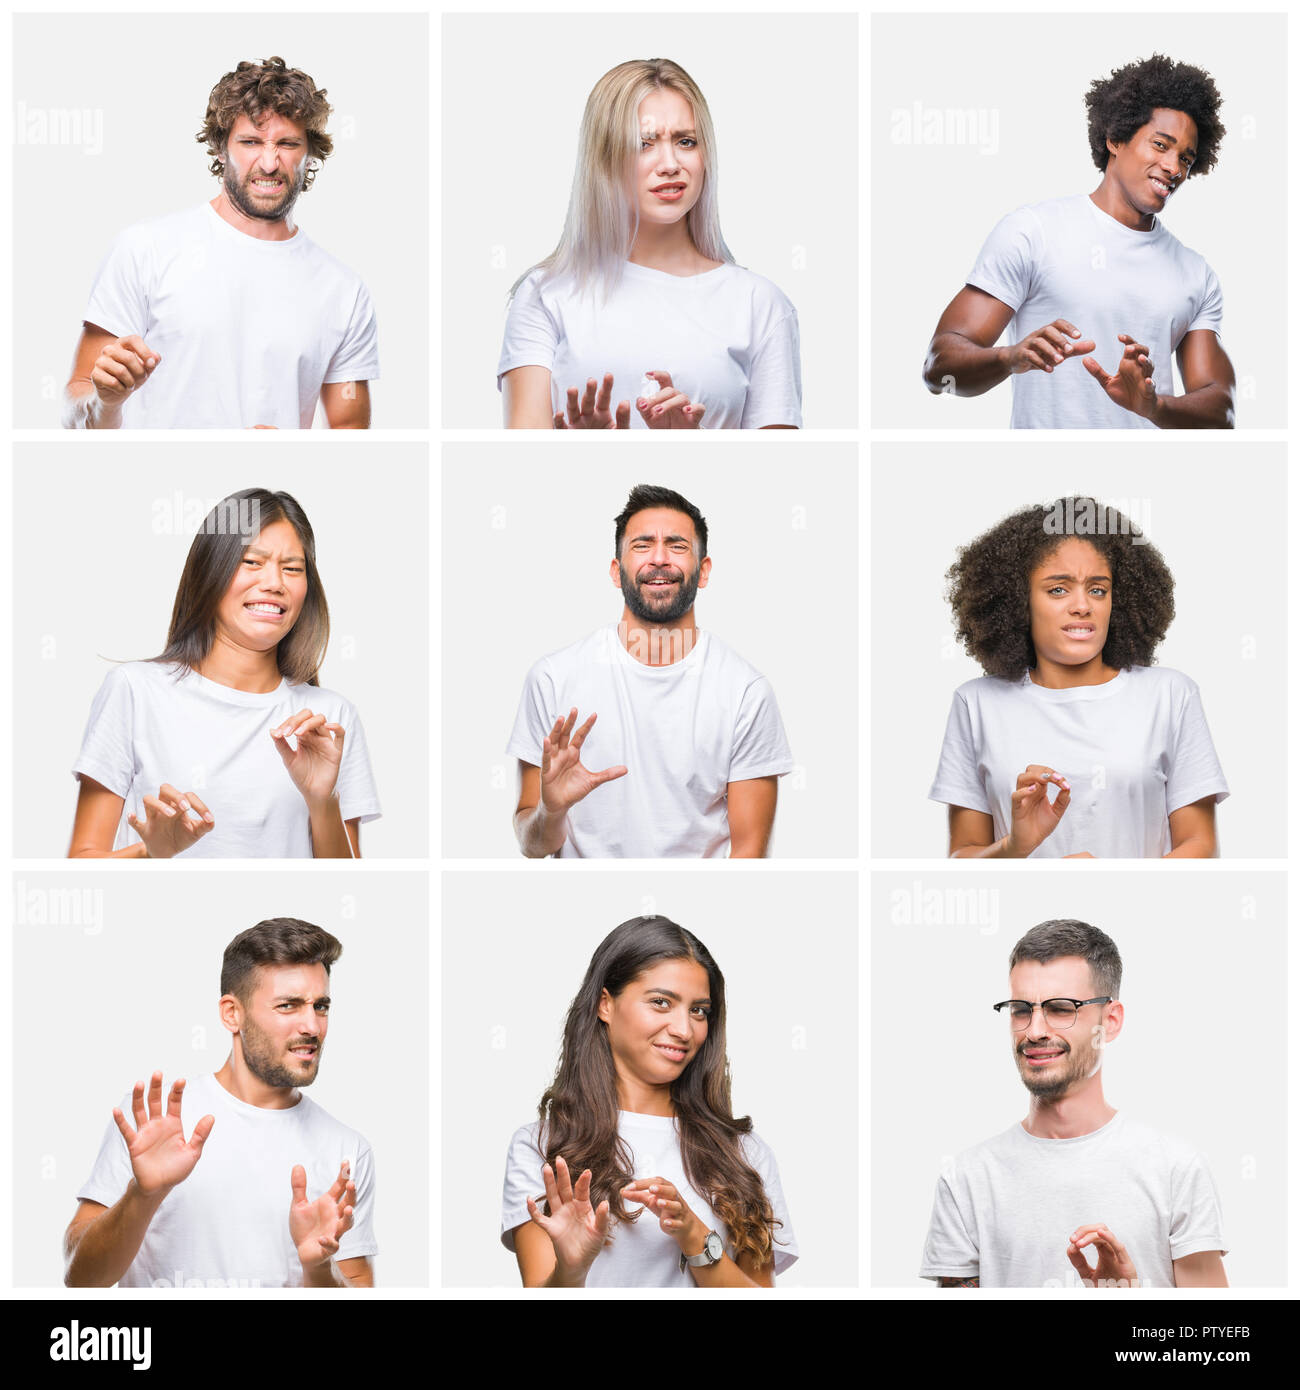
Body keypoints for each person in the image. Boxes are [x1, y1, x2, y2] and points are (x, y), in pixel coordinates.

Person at [63, 56, 378, 429]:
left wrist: (292, 450)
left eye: (288, 143)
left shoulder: (344, 290)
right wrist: (104, 401)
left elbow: (351, 433)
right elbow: (76, 404)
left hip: (269, 482)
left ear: (310, 155)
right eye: (250, 141)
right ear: (220, 148)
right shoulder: (144, 250)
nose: (269, 161)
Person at [921, 54, 1234, 428]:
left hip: (1151, 475)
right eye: (1161, 145)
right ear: (1115, 139)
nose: (1174, 168)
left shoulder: (1195, 273)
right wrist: (1009, 358)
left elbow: (1222, 409)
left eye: (1186, 157)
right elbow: (938, 367)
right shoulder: (1033, 232)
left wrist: (1156, 408)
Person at [69, 488, 381, 859]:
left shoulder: (328, 718)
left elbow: (344, 889)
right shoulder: (135, 691)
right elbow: (83, 860)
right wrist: (149, 854)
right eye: (252, 561)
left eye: (293, 568)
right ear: (210, 570)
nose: (275, 583)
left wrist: (323, 801)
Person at [65, 918, 376, 1288]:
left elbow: (358, 1286)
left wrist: (319, 1267)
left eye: (321, 1006)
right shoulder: (157, 1124)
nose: (312, 1025)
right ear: (232, 1013)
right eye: (289, 1006)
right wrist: (143, 1194)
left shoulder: (347, 1150)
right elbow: (81, 1279)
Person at [920, 919, 1227, 1289]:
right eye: (1020, 1009)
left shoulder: (1175, 1170)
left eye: (1061, 1008)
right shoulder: (965, 1180)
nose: (1034, 1031)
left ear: (1110, 1021)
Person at [498, 58, 801, 430]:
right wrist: (579, 450)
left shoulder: (761, 304)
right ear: (604, 158)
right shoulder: (545, 294)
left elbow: (775, 477)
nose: (670, 164)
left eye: (686, 141)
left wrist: (690, 443)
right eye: (644, 144)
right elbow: (524, 463)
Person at [501, 915, 797, 1288]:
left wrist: (695, 1237)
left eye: (698, 1010)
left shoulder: (743, 1154)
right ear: (605, 1004)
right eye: (661, 1002)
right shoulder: (542, 1147)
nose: (684, 1029)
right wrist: (571, 1269)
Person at [929, 497, 1227, 858]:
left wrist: (1109, 878)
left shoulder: (1170, 695)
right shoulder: (976, 703)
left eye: (1098, 589)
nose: (1083, 605)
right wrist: (1014, 846)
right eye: (1058, 589)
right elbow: (962, 856)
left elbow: (1200, 846)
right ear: (1019, 601)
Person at [507, 484, 792, 857]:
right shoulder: (552, 678)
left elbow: (749, 856)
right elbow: (532, 845)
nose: (659, 558)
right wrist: (552, 810)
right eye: (642, 545)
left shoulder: (745, 692)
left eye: (677, 545)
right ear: (616, 570)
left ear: (703, 571)